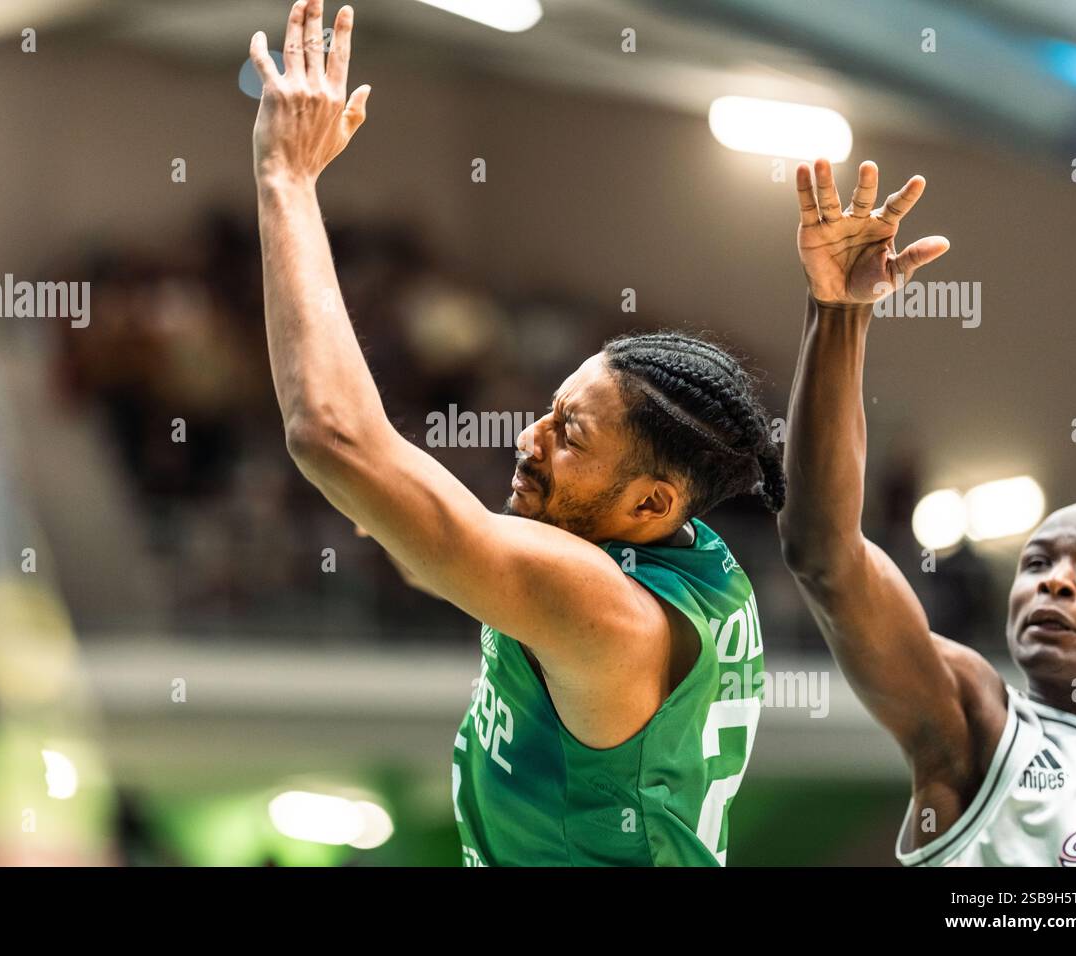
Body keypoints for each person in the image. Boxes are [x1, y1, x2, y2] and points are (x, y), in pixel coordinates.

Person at [250, 0, 782, 865]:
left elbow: (328, 434)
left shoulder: (607, 608)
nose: (529, 438)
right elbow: (458, 556)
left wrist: (286, 178)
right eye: (551, 408)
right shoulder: (684, 565)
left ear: (651, 501)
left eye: (569, 434)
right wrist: (400, 518)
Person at [780, 157, 1076, 866]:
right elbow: (825, 556)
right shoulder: (976, 722)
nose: (1053, 582)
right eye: (1036, 563)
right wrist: (840, 316)